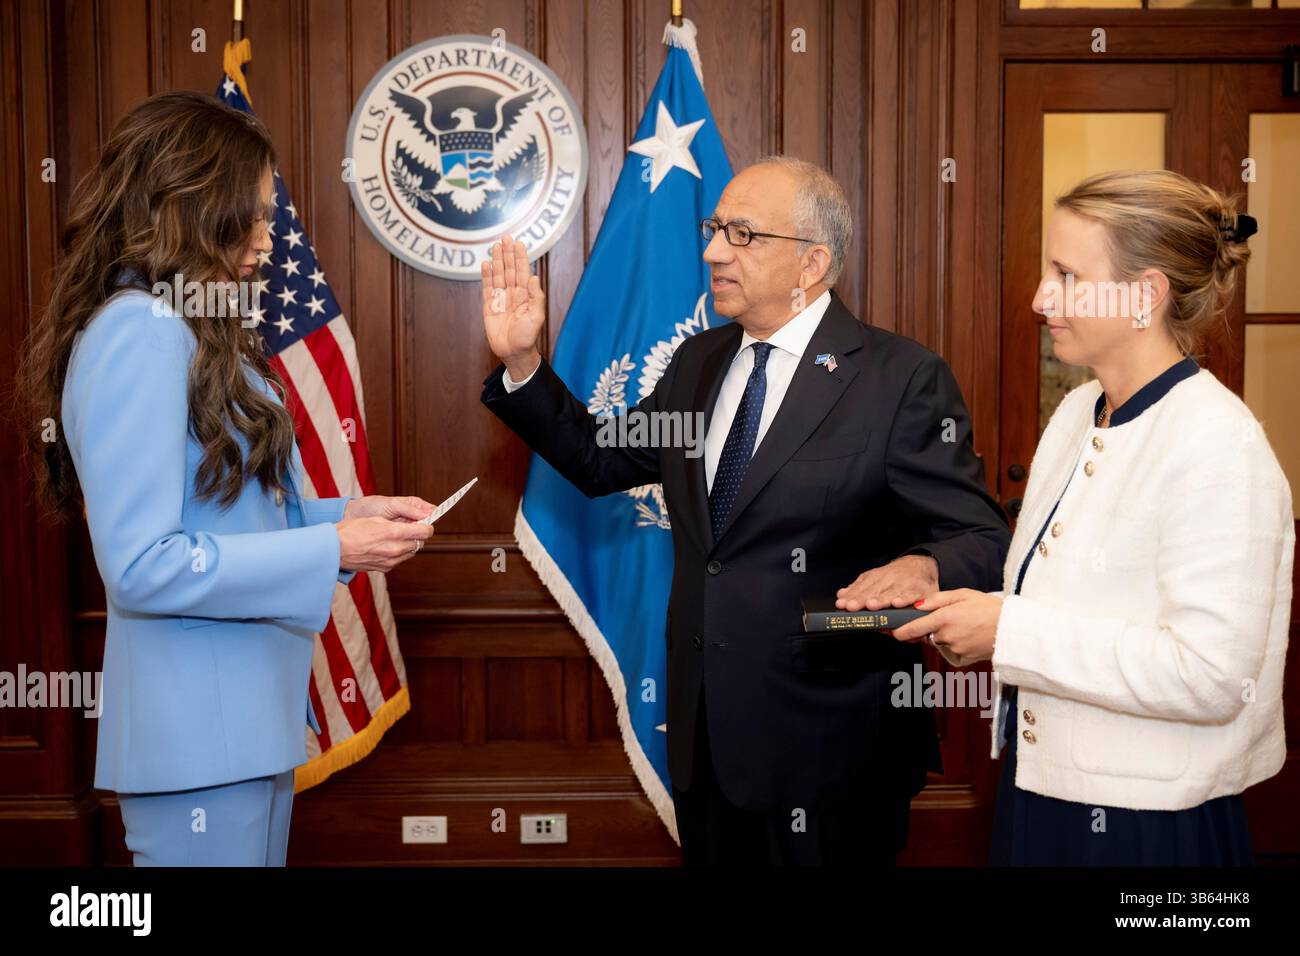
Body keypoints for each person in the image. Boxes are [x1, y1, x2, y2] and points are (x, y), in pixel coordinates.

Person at [479, 156, 1010, 865]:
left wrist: (921, 562)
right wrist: (523, 364)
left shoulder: (900, 380)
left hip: (834, 755)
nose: (713, 251)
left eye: (743, 235)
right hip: (706, 744)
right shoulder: (698, 363)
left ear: (812, 262)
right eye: (714, 228)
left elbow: (980, 537)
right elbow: (602, 459)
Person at [18, 91, 434, 865]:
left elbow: (224, 515)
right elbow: (143, 565)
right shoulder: (139, 334)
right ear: (192, 205)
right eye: (256, 214)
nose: (269, 239)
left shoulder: (188, 327)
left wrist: (347, 519)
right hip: (195, 740)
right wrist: (329, 546)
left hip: (243, 727)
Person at [892, 169, 1294, 865]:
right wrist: (979, 616)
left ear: (1145, 295)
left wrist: (1008, 631)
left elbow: (1210, 675)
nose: (1040, 297)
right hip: (1042, 791)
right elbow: (1070, 600)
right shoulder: (1080, 411)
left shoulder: (1217, 441)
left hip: (1147, 825)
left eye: (1068, 276)